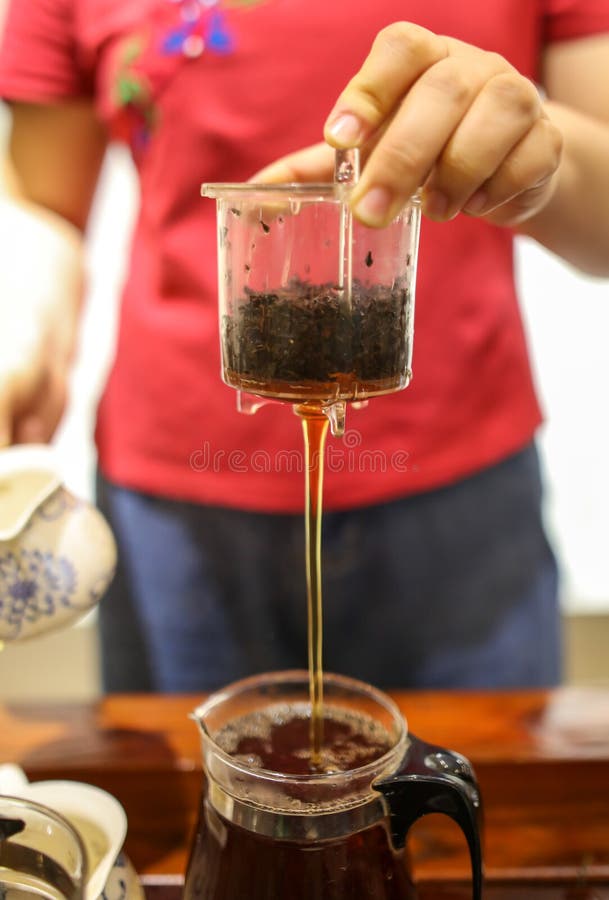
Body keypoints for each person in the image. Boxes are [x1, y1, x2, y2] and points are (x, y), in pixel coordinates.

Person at [1, 1, 608, 693]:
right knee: (208, 790)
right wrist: (20, 327)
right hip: (173, 506)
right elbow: (42, 203)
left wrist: (534, 154)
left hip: (461, 501)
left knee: (453, 788)